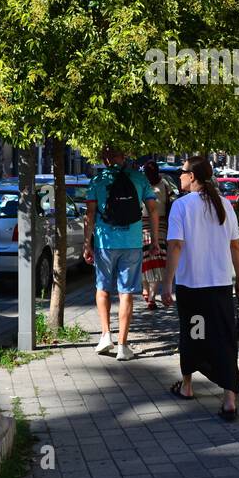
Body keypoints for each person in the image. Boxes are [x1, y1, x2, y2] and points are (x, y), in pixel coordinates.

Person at [161, 157, 239, 422]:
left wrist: (166, 283)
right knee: (224, 339)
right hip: (220, 287)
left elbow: (175, 246)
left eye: (181, 172)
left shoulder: (181, 206)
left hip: (192, 288)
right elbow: (236, 246)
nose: (179, 176)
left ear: (193, 176)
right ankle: (229, 398)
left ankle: (187, 386)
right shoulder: (224, 205)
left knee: (194, 334)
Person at [84, 147, 160, 362]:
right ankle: (123, 345)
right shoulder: (139, 178)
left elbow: (90, 213)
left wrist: (87, 244)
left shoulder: (97, 180)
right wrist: (154, 240)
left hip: (104, 242)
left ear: (103, 159)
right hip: (132, 242)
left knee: (102, 288)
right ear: (124, 157)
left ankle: (106, 335)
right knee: (126, 292)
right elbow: (153, 209)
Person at [140, 159, 173, 310]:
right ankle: (148, 292)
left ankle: (150, 295)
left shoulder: (159, 185)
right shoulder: (147, 185)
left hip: (157, 226)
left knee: (151, 259)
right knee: (150, 259)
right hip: (147, 226)